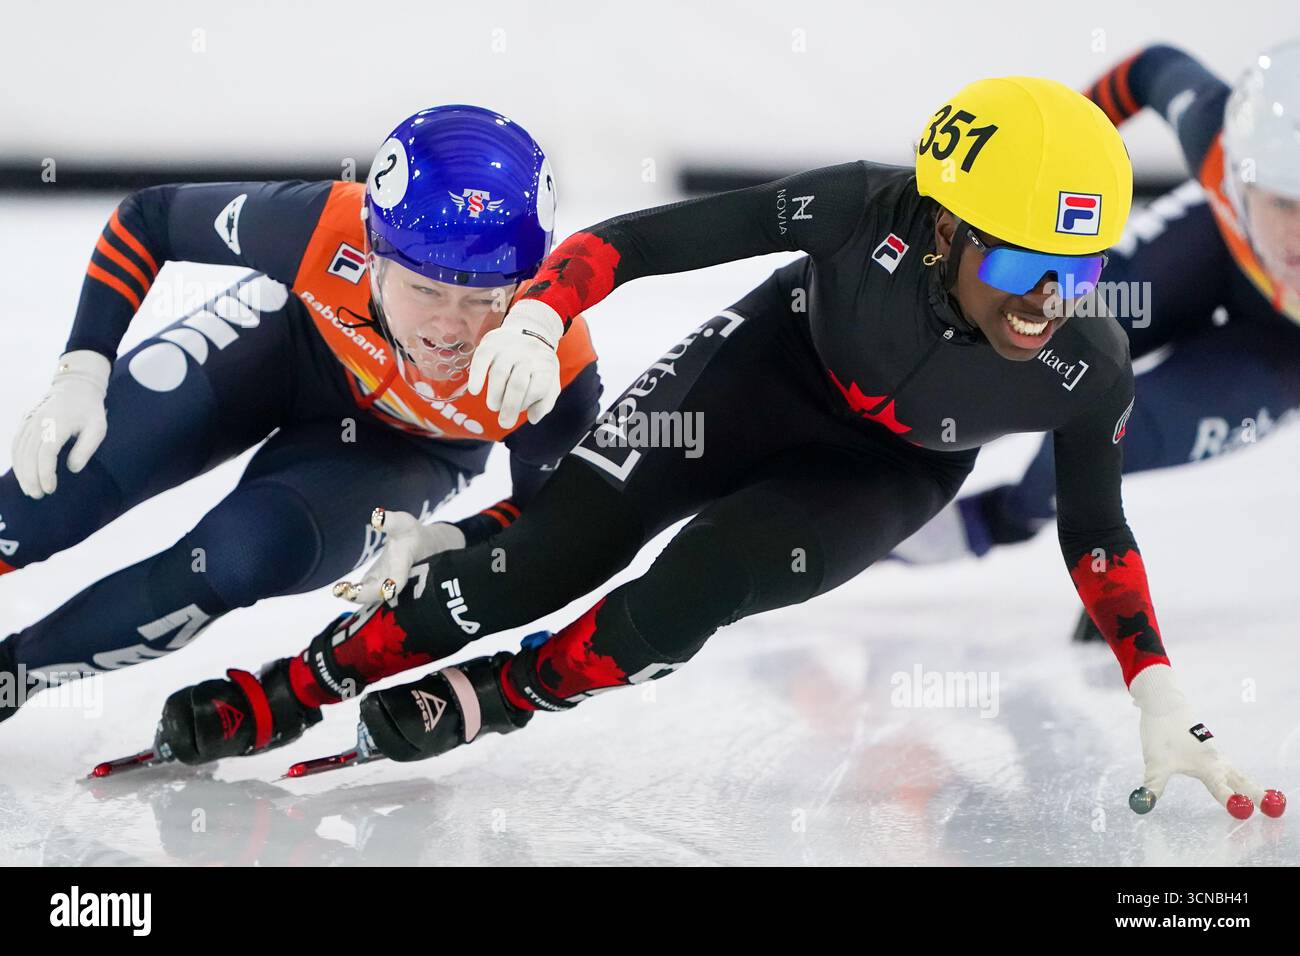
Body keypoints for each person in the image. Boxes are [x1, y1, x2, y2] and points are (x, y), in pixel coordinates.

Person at [154, 78, 1282, 818]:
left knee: (694, 590)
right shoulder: (855, 208)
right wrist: (544, 311)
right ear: (942, 226)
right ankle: (300, 680)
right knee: (555, 547)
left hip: (883, 471)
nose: (1046, 303)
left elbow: (1095, 526)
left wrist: (1152, 677)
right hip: (764, 367)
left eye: (1072, 272)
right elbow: (637, 242)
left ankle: (509, 690)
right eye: (1021, 266)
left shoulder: (1090, 362)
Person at [0, 106, 600, 724]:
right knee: (44, 496)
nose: (449, 330)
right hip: (287, 345)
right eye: (424, 289)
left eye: (485, 301)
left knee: (243, 555)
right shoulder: (322, 224)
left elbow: (554, 519)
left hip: (408, 451)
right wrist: (81, 372)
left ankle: (9, 679)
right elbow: (150, 219)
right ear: (371, 253)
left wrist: (447, 539)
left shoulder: (557, 372)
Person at [892, 44, 1300, 646]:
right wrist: (1062, 156)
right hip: (1213, 249)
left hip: (1281, 348)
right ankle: (867, 436)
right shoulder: (1217, 135)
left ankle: (991, 522)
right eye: (1286, 203)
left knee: (1112, 436)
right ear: (1238, 172)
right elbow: (1149, 68)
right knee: (1035, 322)